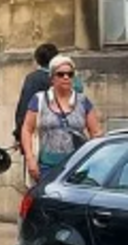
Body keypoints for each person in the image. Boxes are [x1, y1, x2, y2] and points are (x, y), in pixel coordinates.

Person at [20, 55, 104, 185]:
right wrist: (30, 158)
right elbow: (27, 129)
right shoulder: (40, 99)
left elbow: (96, 132)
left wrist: (94, 161)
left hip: (76, 167)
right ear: (52, 77)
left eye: (70, 74)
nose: (66, 77)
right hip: (46, 166)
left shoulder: (82, 101)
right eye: (61, 74)